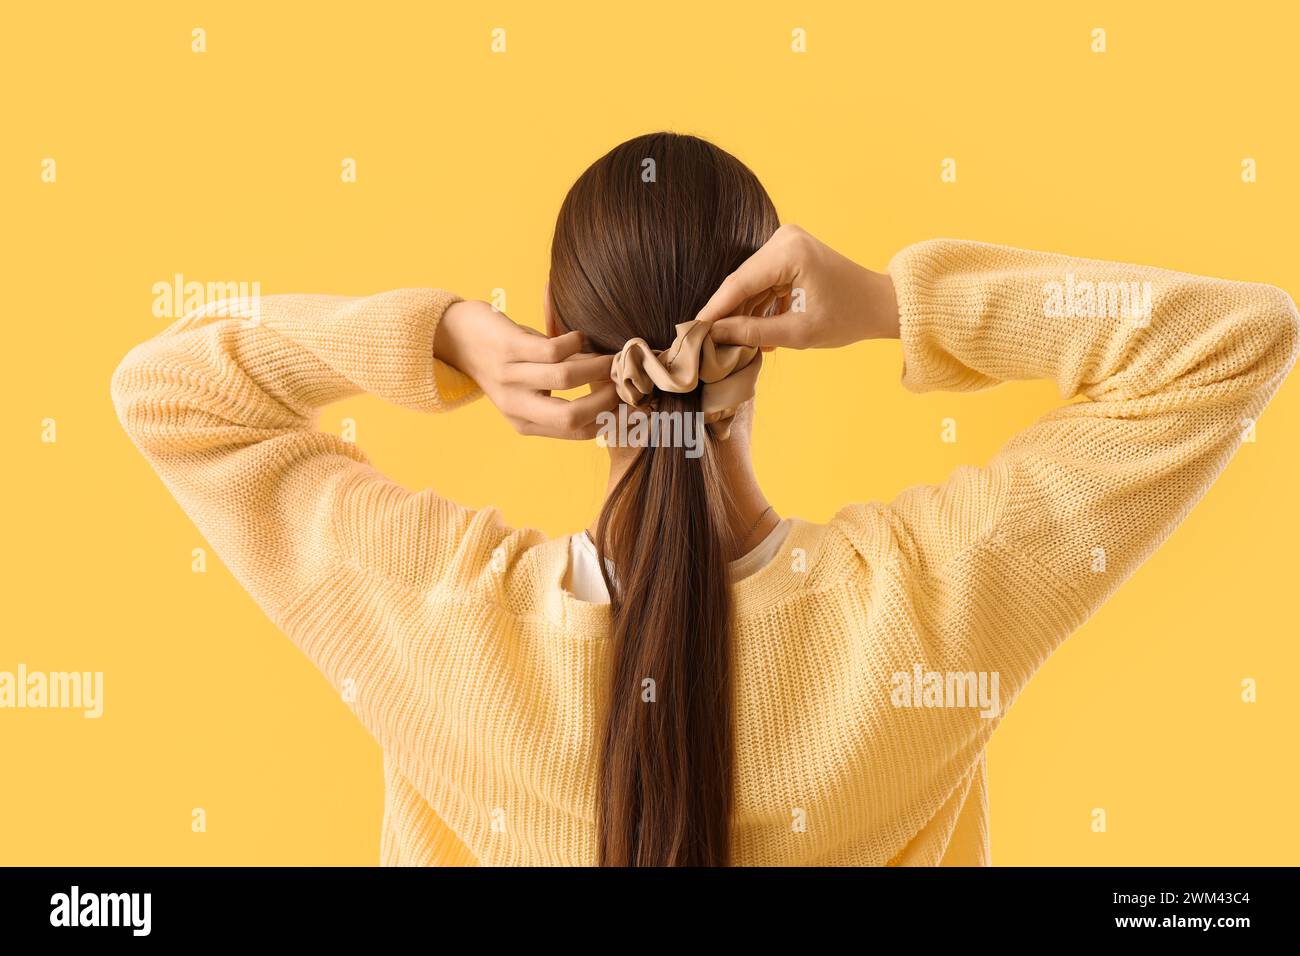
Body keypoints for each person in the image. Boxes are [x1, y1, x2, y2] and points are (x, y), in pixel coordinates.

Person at [111, 132, 1299, 866]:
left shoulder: (436, 618)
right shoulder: (931, 604)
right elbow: (1238, 339)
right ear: (772, 332)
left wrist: (436, 339)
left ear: (559, 330)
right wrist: (894, 301)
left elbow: (167, 393)